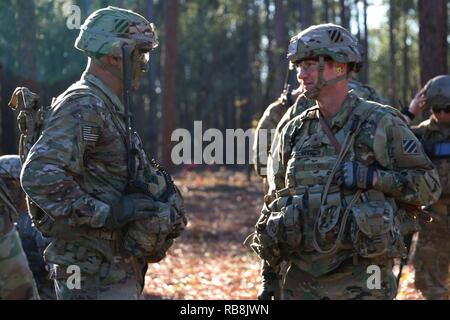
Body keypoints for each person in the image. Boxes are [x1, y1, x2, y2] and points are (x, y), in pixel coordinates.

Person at [250, 23, 441, 300]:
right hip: (301, 280)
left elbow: (429, 185)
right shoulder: (292, 130)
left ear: (339, 66)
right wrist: (269, 280)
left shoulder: (381, 122)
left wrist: (372, 178)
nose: (301, 74)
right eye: (298, 66)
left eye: (310, 65)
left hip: (364, 276)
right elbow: (272, 207)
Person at [20, 6, 186, 300]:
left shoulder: (107, 105)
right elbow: (37, 175)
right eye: (139, 54)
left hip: (109, 268)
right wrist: (108, 214)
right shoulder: (83, 104)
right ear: (113, 54)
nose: (144, 65)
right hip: (90, 272)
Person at [401, 75, 450, 299]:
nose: (441, 114)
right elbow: (386, 138)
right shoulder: (420, 134)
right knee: (431, 286)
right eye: (436, 108)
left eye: (447, 108)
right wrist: (410, 112)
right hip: (433, 222)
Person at [0, 155, 55, 299]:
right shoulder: (4, 221)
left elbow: (67, 271)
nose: (5, 189)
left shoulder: (42, 219)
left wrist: (40, 265)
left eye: (8, 182)